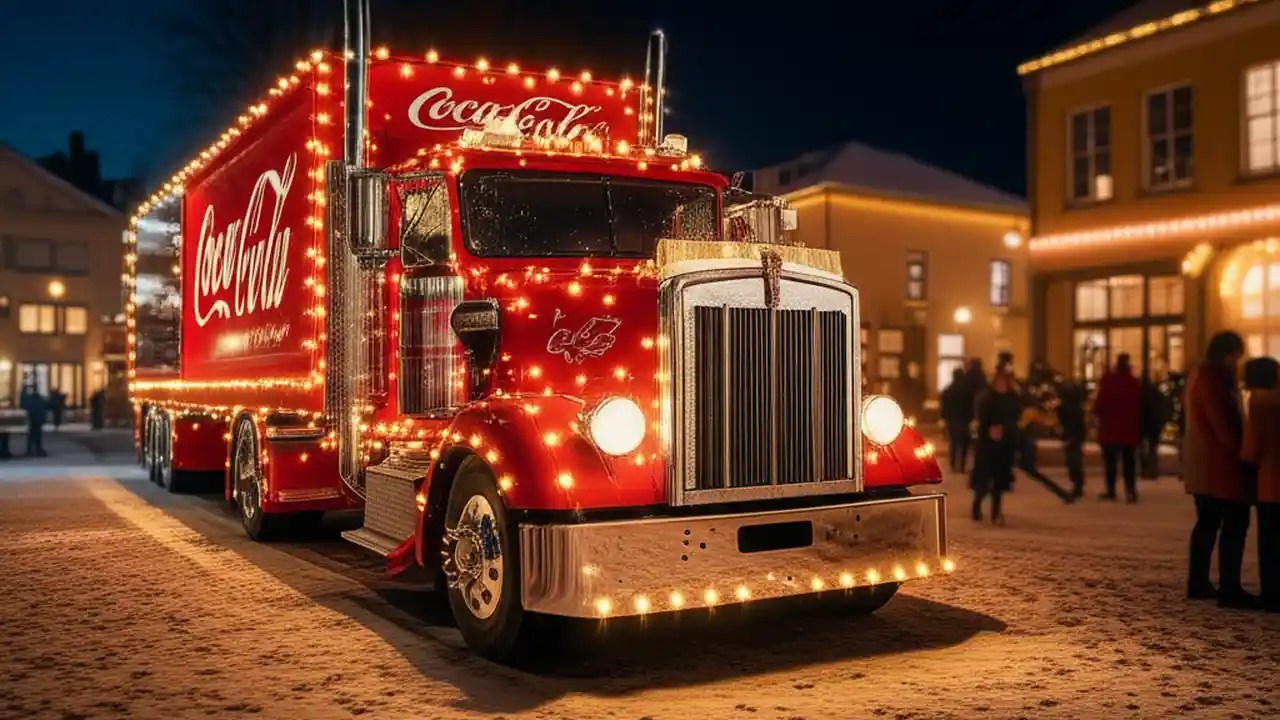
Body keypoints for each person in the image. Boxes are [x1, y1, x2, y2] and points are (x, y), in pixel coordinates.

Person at [1183, 331, 1255, 609]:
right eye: (1237, 355)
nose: (1238, 361)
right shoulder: (1214, 380)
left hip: (1205, 464)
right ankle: (1228, 586)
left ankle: (1200, 580)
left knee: (1208, 523)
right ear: (1227, 354)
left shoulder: (1201, 376)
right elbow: (1223, 425)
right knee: (1234, 523)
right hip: (1220, 466)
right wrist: (1243, 451)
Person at [1241, 356, 1280, 613]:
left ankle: (1272, 594)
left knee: (1270, 542)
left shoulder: (1258, 405)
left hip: (1270, 482)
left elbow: (1252, 449)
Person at [972, 370, 1021, 525]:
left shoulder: (1012, 398)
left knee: (999, 483)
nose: (1001, 386)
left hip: (1004, 446)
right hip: (987, 446)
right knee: (984, 482)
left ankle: (996, 513)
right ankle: (976, 506)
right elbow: (981, 418)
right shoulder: (987, 398)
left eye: (1004, 383)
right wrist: (990, 428)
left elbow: (1016, 417)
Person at [1093, 353, 1142, 503]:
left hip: (1110, 429)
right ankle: (1130, 490)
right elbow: (1139, 405)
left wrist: (1098, 416)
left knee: (1110, 463)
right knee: (1129, 462)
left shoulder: (1109, 381)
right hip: (1129, 429)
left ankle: (1111, 490)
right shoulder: (1133, 382)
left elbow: (1100, 403)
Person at [1058, 379, 1088, 499]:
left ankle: (1077, 483)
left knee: (1072, 460)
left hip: (1070, 434)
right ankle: (1078, 483)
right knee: (1075, 460)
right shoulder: (1077, 407)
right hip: (1076, 435)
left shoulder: (1065, 407)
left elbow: (1063, 421)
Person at [941, 367, 974, 473]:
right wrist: (970, 417)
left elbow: (944, 406)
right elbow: (971, 405)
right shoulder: (967, 390)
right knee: (964, 443)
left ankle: (953, 463)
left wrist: (944, 417)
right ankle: (962, 465)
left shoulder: (948, 390)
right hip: (964, 419)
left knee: (953, 442)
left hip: (952, 420)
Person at [1141, 373, 1170, 479]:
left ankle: (1145, 469)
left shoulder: (1139, 394)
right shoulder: (1157, 394)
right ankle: (1152, 469)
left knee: (1142, 448)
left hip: (1142, 423)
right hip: (1154, 424)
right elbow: (1162, 408)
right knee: (1152, 448)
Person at [19, 385, 48, 457]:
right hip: (38, 418)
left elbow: (24, 406)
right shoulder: (39, 398)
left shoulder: (29, 398)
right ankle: (37, 449)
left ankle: (31, 449)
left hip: (33, 418)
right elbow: (44, 407)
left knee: (32, 434)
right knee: (37, 434)